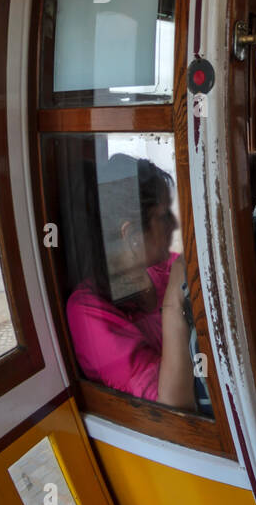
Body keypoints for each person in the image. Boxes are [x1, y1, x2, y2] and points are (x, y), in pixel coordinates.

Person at [65, 154, 196, 410]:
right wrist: (173, 304)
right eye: (164, 215)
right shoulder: (88, 311)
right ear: (132, 234)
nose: (174, 224)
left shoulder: (165, 268)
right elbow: (172, 404)